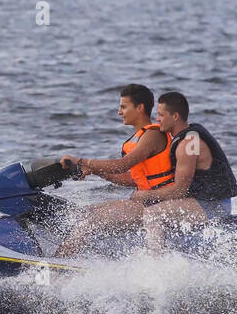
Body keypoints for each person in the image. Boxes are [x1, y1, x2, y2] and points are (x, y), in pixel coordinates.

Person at [54, 84, 175, 256]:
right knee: (89, 212)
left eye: (123, 107)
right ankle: (71, 258)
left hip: (157, 205)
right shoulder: (139, 136)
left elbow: (121, 165)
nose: (119, 112)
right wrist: (95, 171)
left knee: (92, 218)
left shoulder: (153, 135)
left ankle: (58, 264)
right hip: (143, 201)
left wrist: (80, 161)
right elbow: (131, 179)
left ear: (140, 108)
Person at [131, 92, 237, 247]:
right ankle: (171, 247)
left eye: (161, 115)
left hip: (214, 206)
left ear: (175, 116)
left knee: (153, 214)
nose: (157, 119)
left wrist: (145, 195)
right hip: (207, 201)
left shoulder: (188, 144)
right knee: (154, 207)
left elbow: (179, 191)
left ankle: (155, 263)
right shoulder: (189, 135)